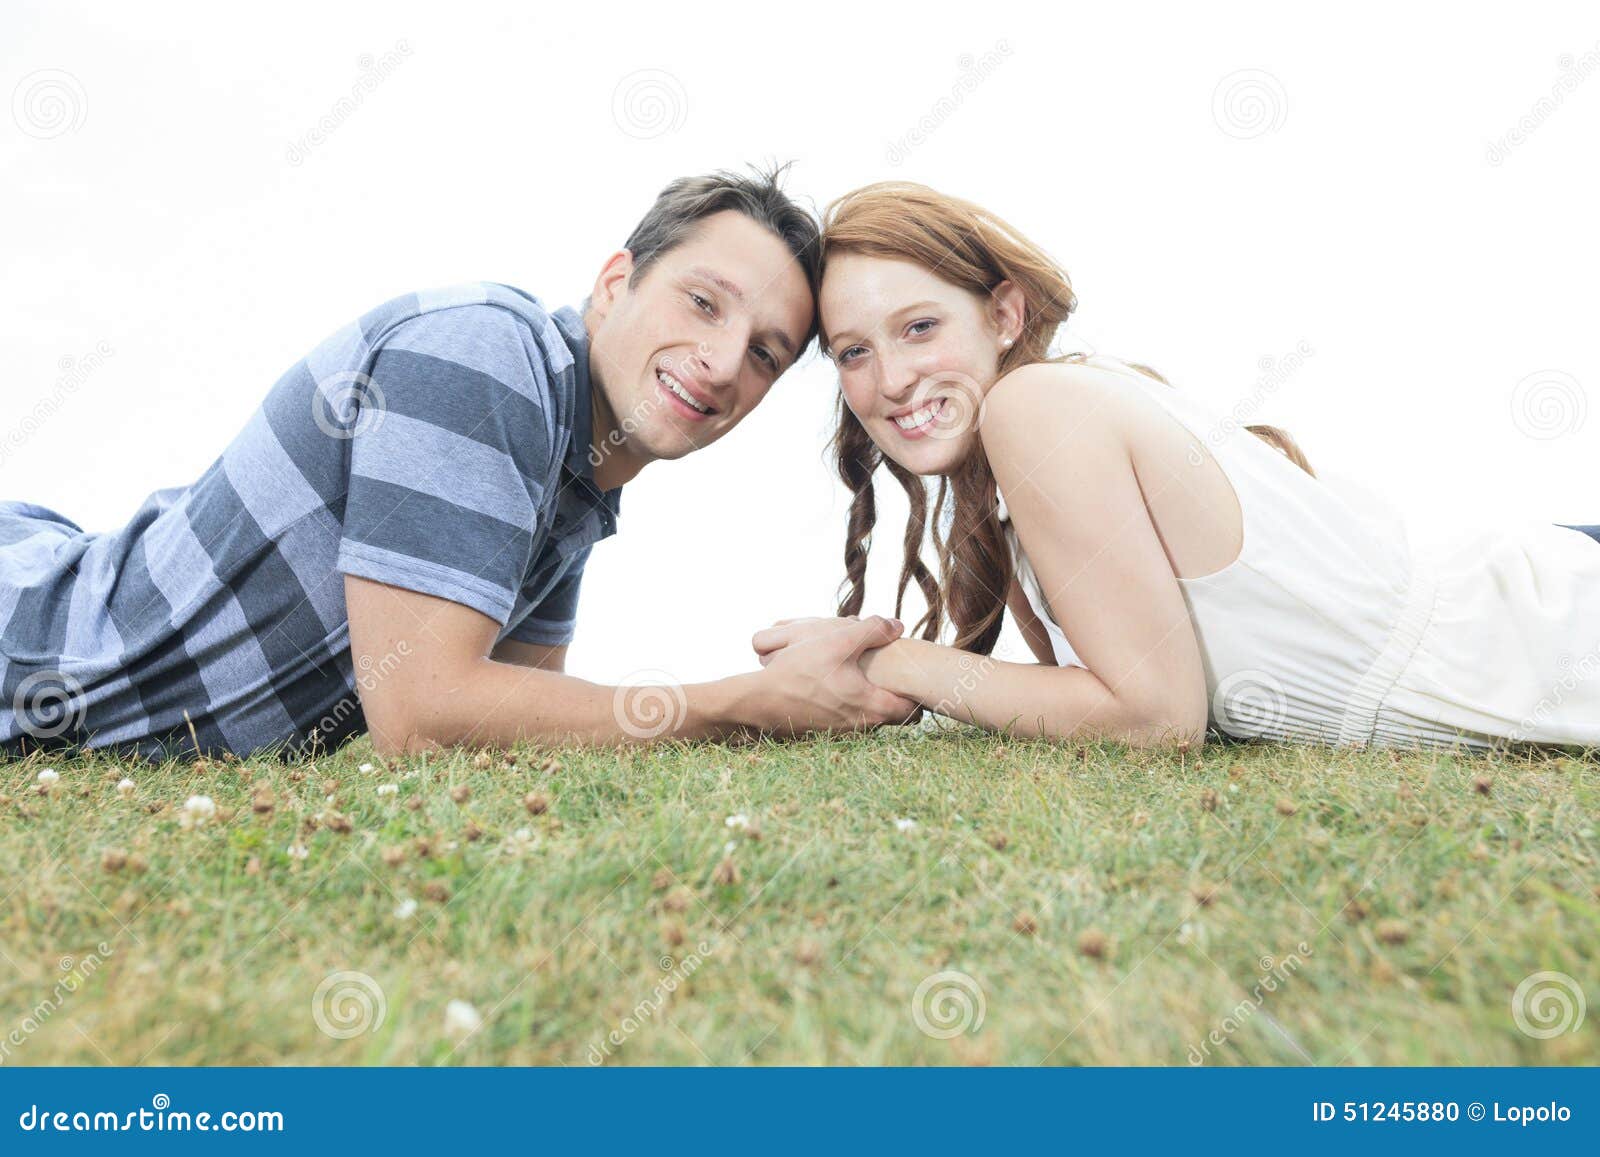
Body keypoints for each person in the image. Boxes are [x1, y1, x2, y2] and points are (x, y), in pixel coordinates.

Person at [0, 166, 915, 761]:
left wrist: (802, 688)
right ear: (614, 285)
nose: (720, 362)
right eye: (703, 302)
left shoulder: (576, 480)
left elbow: (512, 721)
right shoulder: (486, 354)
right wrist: (754, 700)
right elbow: (423, 715)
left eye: (764, 351)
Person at [754, 182, 1600, 751]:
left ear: (1004, 314)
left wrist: (888, 661)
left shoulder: (1034, 408)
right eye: (854, 351)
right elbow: (1085, 696)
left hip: (1558, 621)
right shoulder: (1016, 463)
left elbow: (1152, 720)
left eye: (920, 328)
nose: (891, 380)